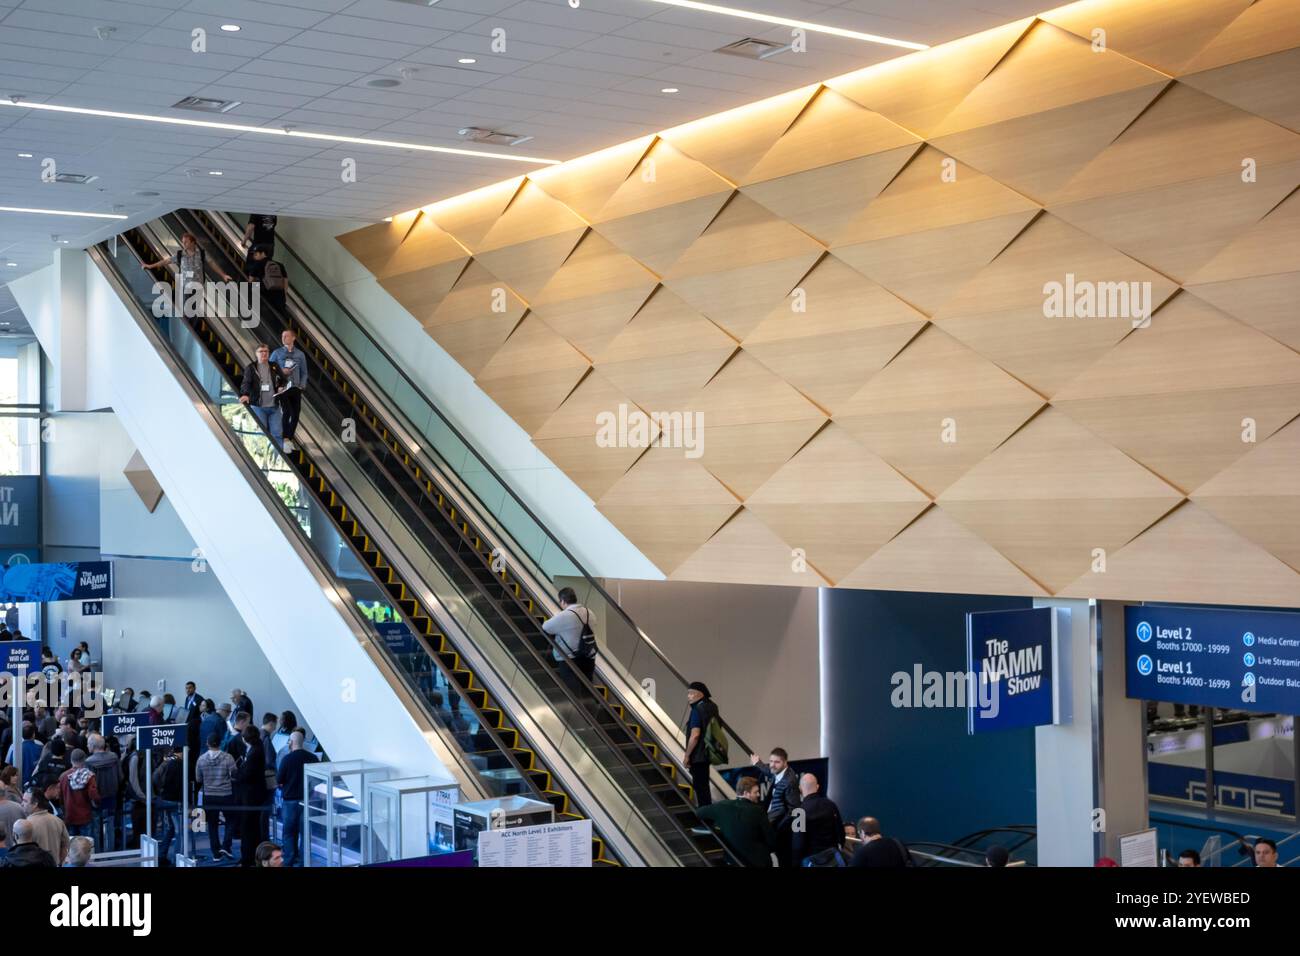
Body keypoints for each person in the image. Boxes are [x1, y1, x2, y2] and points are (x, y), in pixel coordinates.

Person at [697, 775, 777, 867]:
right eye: (756, 792)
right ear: (746, 793)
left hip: (733, 861)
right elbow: (772, 841)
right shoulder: (757, 811)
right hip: (759, 862)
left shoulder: (721, 806)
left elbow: (699, 813)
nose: (759, 795)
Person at [540, 586, 597, 692]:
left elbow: (545, 627)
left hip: (570, 660)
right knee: (587, 690)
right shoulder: (590, 612)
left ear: (563, 601)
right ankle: (591, 708)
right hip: (589, 657)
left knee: (573, 691)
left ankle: (578, 708)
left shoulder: (565, 615)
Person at [276, 730, 317, 867]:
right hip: (308, 801)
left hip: (290, 801)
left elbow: (279, 779)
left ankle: (288, 861)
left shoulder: (287, 759)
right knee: (305, 834)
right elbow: (317, 781)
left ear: (291, 742)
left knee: (289, 833)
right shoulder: (313, 758)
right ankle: (304, 862)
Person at [196, 733, 236, 862]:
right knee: (231, 820)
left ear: (207, 744)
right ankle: (226, 846)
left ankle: (216, 853)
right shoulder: (228, 758)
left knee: (212, 825)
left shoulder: (201, 759)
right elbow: (234, 775)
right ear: (220, 743)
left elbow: (198, 779)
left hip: (209, 796)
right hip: (226, 795)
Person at [140, 231, 233, 286]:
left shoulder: (201, 253)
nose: (184, 244)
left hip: (198, 286)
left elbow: (212, 263)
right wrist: (150, 266)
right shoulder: (180, 254)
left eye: (186, 242)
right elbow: (165, 261)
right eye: (183, 242)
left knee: (194, 309)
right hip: (184, 287)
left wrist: (223, 275)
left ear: (193, 242)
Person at [239, 343, 286, 449]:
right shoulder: (251, 368)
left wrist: (281, 386)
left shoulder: (274, 366)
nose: (264, 353)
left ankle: (281, 456)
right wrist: (245, 394)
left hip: (274, 406)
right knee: (262, 434)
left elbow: (284, 379)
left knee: (277, 434)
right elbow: (246, 383)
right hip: (258, 407)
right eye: (261, 351)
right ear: (256, 354)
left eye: (266, 351)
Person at [791, 774, 844, 866]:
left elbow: (797, 845)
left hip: (810, 861)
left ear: (800, 788)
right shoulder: (831, 805)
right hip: (832, 860)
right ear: (817, 786)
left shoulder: (799, 812)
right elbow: (841, 833)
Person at [269, 329, 307, 453]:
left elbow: (304, 372)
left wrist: (302, 385)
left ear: (293, 338)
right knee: (287, 411)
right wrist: (281, 371)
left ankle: (288, 439)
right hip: (283, 387)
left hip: (295, 387)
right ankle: (285, 440)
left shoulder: (300, 355)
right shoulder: (277, 353)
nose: (283, 337)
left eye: (286, 336)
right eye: (282, 335)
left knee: (296, 414)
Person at [683, 682, 721, 808]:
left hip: (697, 757)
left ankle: (706, 822)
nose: (688, 696)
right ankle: (708, 819)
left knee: (700, 790)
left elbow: (695, 736)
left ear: (700, 694)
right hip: (708, 753)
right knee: (704, 788)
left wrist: (687, 755)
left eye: (690, 693)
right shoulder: (713, 707)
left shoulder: (696, 710)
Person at [233, 725, 267, 867]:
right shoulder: (256, 748)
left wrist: (235, 774)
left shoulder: (254, 752)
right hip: (252, 795)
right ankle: (251, 856)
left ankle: (248, 858)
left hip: (251, 796)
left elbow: (247, 775)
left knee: (248, 828)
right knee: (251, 828)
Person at [85, 734, 121, 852]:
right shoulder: (114, 757)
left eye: (88, 743)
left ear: (93, 745)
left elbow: (89, 785)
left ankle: (98, 854)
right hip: (112, 797)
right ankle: (110, 852)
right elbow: (120, 776)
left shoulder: (89, 762)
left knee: (96, 828)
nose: (87, 745)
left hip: (96, 800)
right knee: (110, 825)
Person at [152, 745, 185, 865]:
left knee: (170, 828)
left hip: (165, 799)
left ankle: (162, 855)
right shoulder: (181, 764)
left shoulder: (166, 763)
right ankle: (177, 859)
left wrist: (161, 789)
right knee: (179, 830)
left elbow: (155, 776)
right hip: (176, 801)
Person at [22, 787, 69, 864]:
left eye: (25, 801)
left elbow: (22, 853)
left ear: (35, 804)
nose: (22, 804)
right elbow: (65, 847)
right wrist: (58, 863)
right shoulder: (58, 821)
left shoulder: (26, 824)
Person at [250, 245, 289, 316]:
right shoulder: (279, 265)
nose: (254, 257)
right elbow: (285, 281)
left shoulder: (257, 264)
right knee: (280, 316)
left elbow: (251, 281)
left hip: (266, 295)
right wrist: (284, 294)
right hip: (280, 296)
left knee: (267, 315)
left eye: (256, 254)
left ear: (262, 253)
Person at [6, 723, 43, 788]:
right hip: (34, 782)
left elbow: (10, 764)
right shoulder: (40, 748)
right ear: (33, 735)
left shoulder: (16, 748)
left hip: (18, 782)